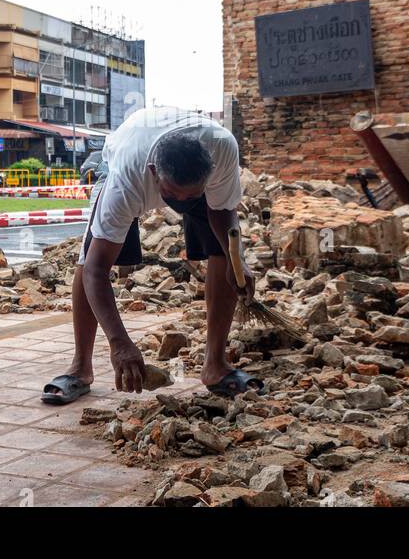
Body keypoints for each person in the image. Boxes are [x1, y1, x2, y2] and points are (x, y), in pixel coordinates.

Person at [41, 107, 255, 405]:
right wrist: (119, 343)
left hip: (184, 165)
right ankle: (80, 368)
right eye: (173, 195)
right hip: (125, 156)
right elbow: (96, 270)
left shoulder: (222, 148)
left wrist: (238, 260)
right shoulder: (127, 179)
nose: (180, 205)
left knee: (224, 253)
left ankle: (215, 367)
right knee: (88, 256)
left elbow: (224, 212)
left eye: (191, 197)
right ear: (155, 173)